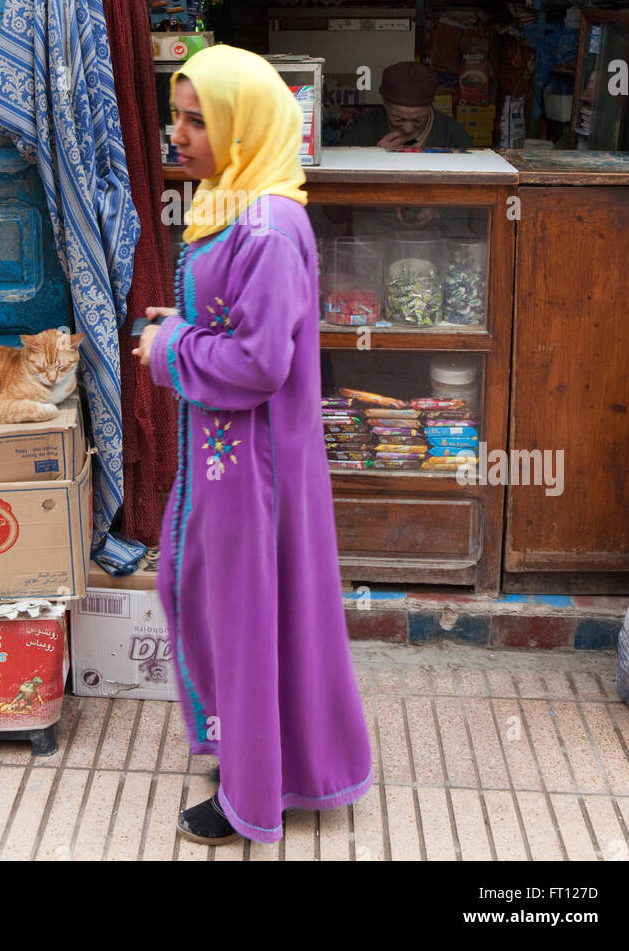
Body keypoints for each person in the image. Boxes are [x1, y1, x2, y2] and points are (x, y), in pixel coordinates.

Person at [132, 44, 373, 846]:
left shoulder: (266, 227)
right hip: (230, 462)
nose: (181, 133)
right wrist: (185, 331)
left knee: (240, 617)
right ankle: (266, 760)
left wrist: (170, 351)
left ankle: (251, 795)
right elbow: (235, 329)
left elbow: (260, 362)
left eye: (201, 120)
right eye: (178, 114)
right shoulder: (231, 202)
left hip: (254, 469)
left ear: (246, 124)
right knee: (219, 600)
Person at [339, 59, 472, 149]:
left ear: (430, 106)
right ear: (385, 103)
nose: (408, 129)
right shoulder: (358, 132)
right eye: (398, 119)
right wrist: (374, 157)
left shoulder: (453, 135)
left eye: (418, 119)